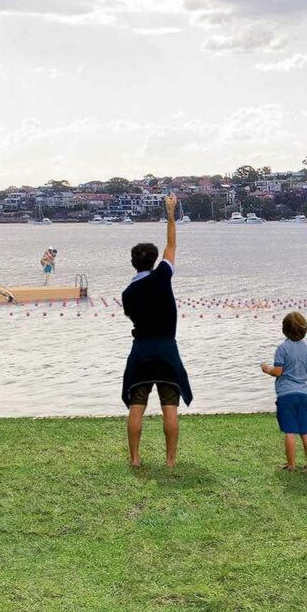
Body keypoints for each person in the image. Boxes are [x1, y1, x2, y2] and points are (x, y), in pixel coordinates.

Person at [120, 196, 191, 469]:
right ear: (152, 261)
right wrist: (170, 213)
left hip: (141, 350)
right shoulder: (163, 275)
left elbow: (131, 316)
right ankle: (170, 460)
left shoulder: (128, 293)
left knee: (136, 407)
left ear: (133, 263)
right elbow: (171, 245)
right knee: (169, 407)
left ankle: (135, 459)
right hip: (166, 348)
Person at [261, 311, 307, 472]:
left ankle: (291, 465)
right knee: (305, 431)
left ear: (284, 330)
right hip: (302, 394)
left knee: (290, 432)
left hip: (286, 395)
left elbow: (278, 371)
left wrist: (266, 369)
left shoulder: (282, 348)